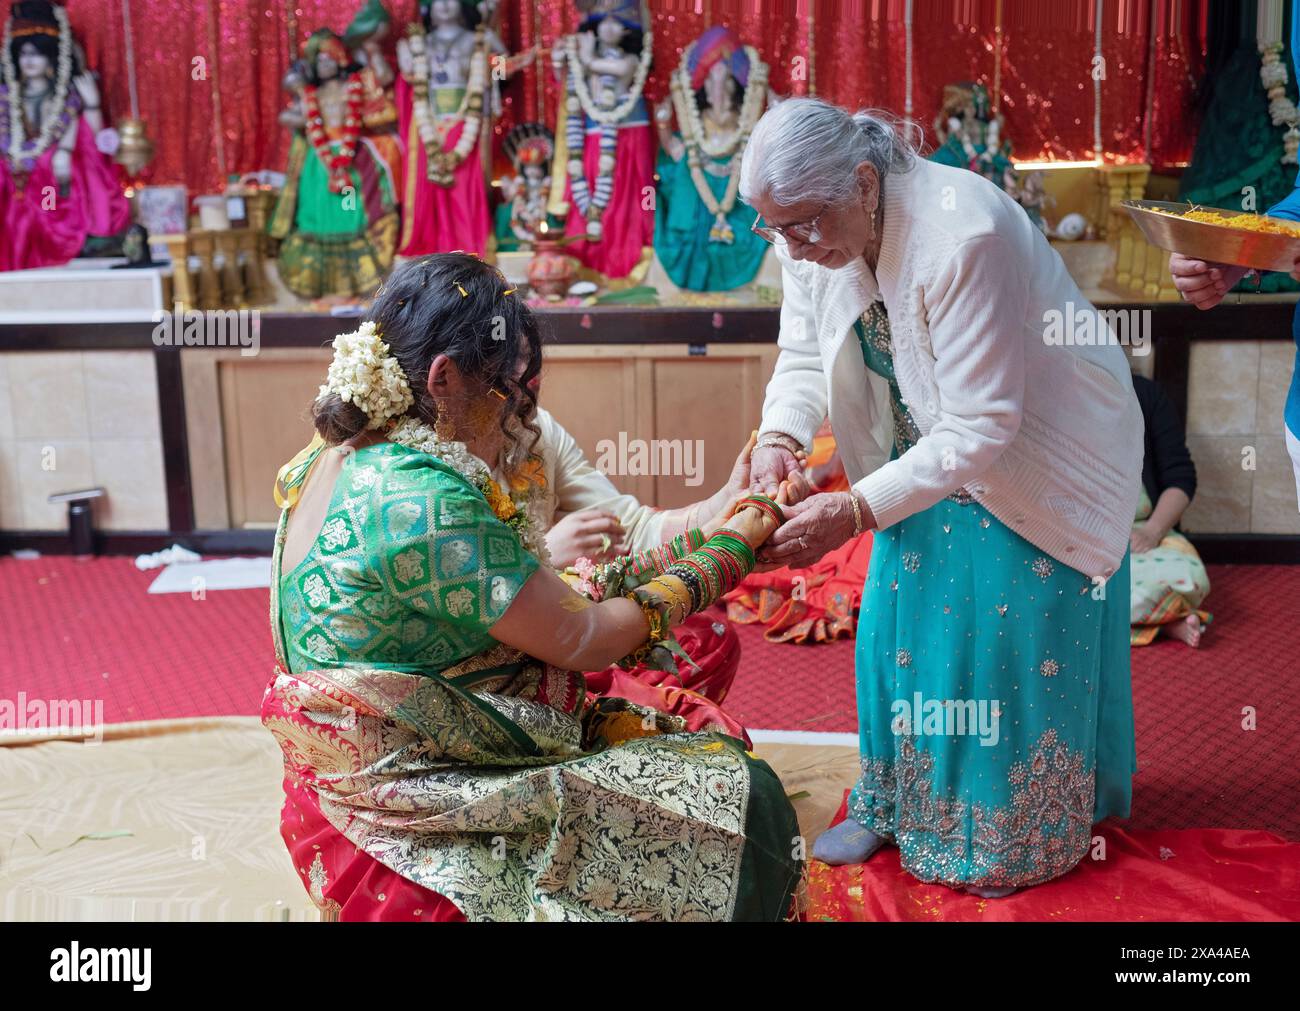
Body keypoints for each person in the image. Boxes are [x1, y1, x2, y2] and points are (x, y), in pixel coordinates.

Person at [262, 253, 803, 921]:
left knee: (682, 727)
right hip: (410, 803)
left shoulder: (341, 453)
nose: (522, 417)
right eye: (509, 392)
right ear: (445, 379)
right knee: (744, 804)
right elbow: (581, 635)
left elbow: (579, 576)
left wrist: (722, 517)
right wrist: (731, 550)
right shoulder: (418, 494)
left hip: (358, 768)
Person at [739, 97, 1143, 896]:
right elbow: (799, 350)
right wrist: (780, 437)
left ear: (862, 182)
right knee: (899, 626)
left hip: (1036, 452)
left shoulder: (965, 234)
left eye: (802, 227)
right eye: (775, 229)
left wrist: (854, 509)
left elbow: (984, 423)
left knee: (999, 647)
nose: (791, 246)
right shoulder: (810, 223)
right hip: (922, 448)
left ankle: (1011, 829)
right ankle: (894, 803)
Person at [1128, 375, 1211, 647]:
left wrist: (1152, 532)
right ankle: (1164, 624)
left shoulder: (1145, 394)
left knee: (1188, 577)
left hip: (1142, 531)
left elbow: (1180, 477)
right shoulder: (1052, 394)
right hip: (1075, 536)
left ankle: (1152, 622)